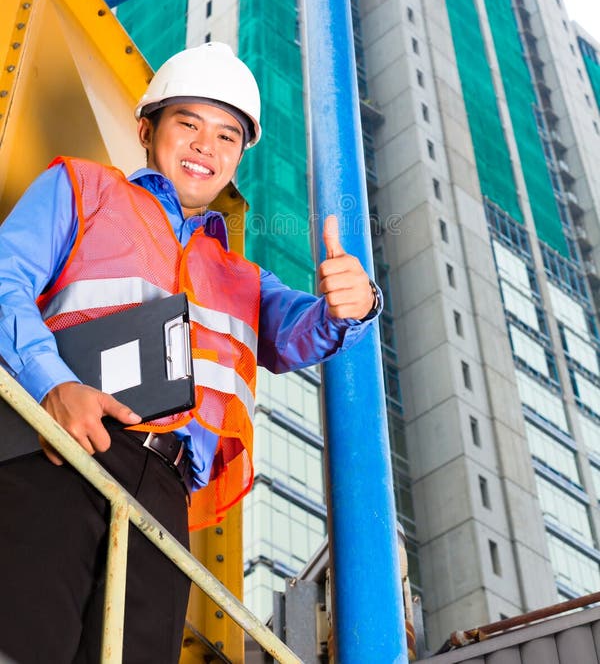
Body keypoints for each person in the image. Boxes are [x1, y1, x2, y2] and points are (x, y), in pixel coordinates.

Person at [0, 42, 381, 664]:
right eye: (189, 124)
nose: (207, 146)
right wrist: (49, 384)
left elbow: (301, 331)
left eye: (227, 136)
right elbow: (3, 276)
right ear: (148, 130)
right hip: (59, 448)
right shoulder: (82, 189)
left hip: (166, 494)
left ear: (237, 157)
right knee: (22, 640)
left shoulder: (244, 278)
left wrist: (356, 305)